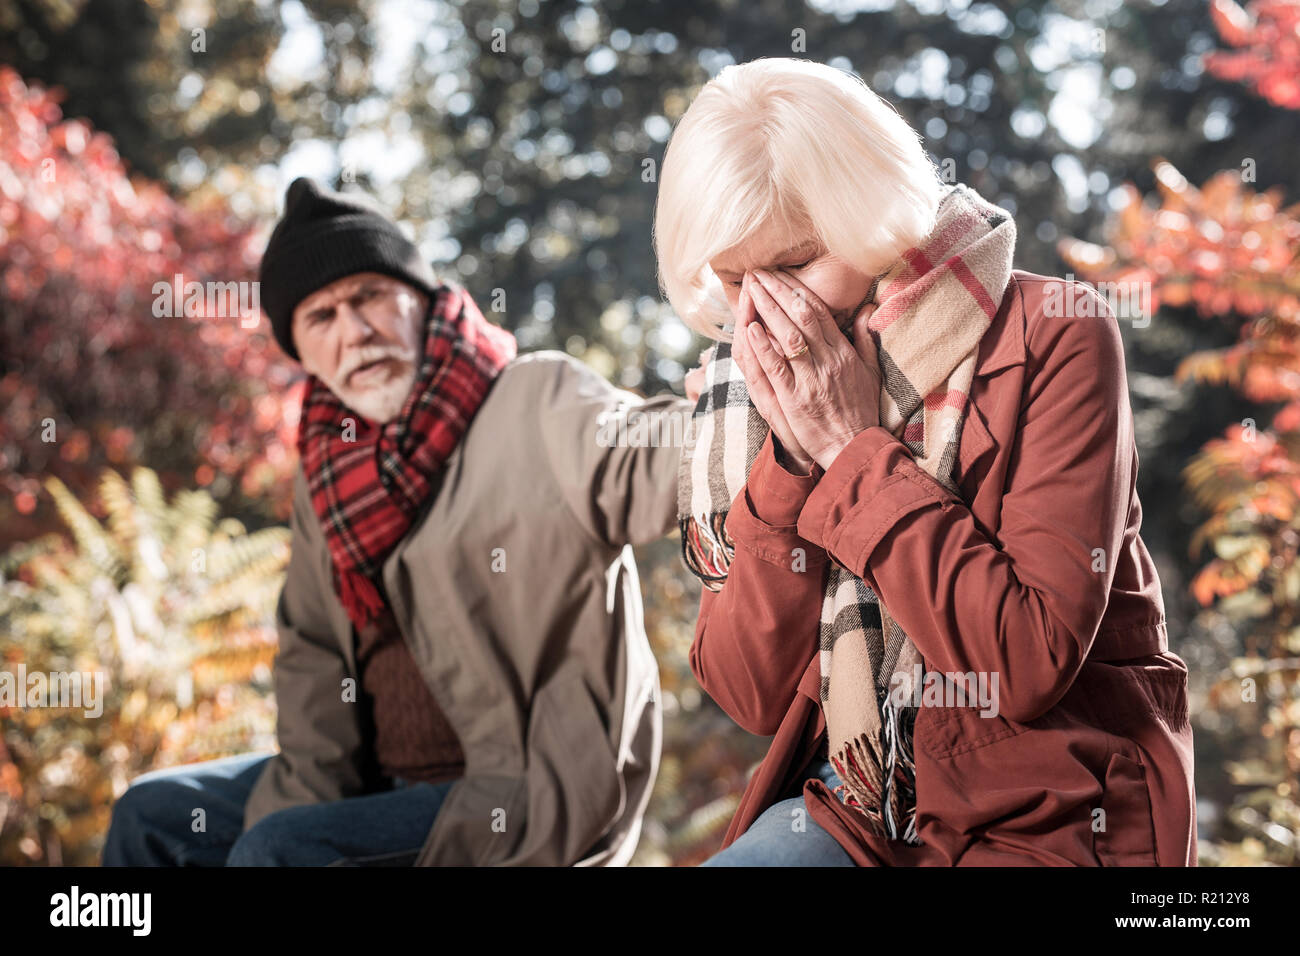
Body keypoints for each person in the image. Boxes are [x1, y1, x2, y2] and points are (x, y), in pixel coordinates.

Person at [660, 57, 1196, 866]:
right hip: (859, 811)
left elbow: (1026, 662)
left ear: (871, 217)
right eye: (735, 280)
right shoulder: (742, 394)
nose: (766, 313)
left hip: (1052, 809)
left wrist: (849, 448)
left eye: (799, 262)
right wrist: (791, 460)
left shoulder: (1059, 332)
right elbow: (750, 693)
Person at [104, 177, 695, 866]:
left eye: (370, 297)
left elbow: (645, 451)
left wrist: (758, 406)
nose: (354, 332)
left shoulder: (535, 400)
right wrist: (291, 812)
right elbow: (314, 665)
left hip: (518, 793)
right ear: (301, 350)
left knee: (278, 852)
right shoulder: (327, 470)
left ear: (421, 298)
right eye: (320, 317)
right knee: (152, 815)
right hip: (375, 789)